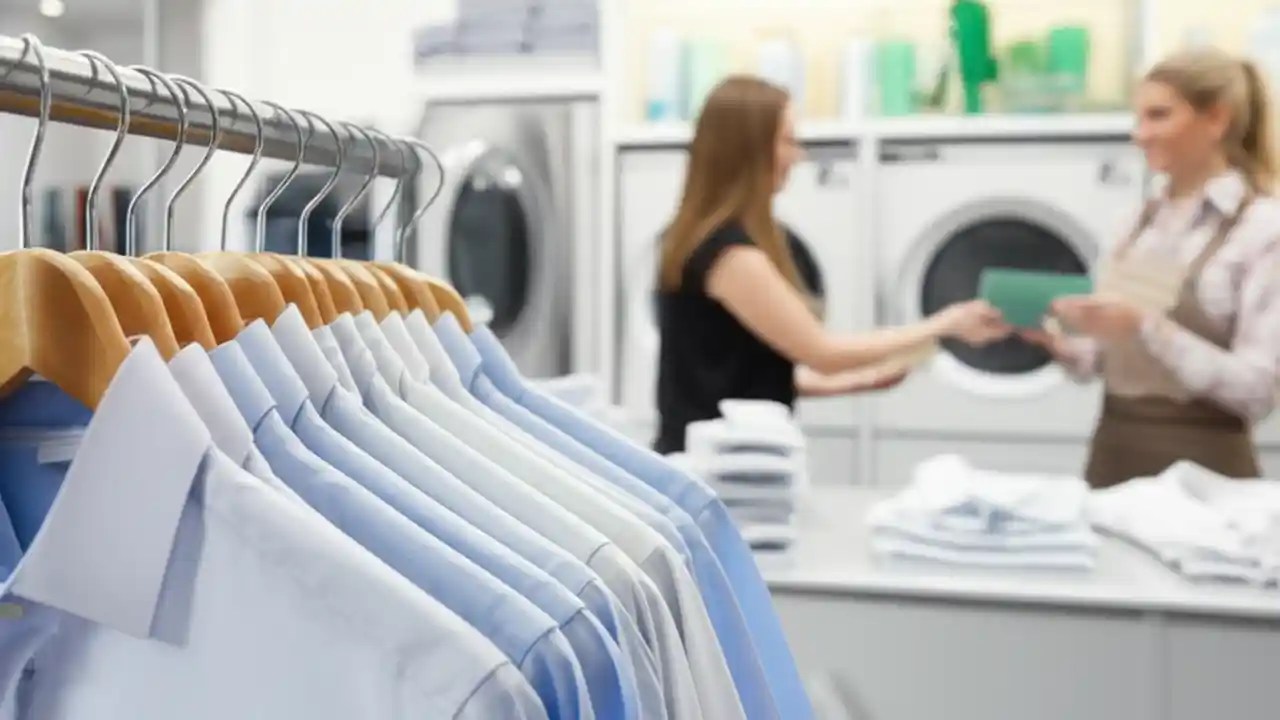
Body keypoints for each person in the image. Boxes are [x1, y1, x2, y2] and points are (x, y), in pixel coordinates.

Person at [652, 75, 1010, 454]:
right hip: (715, 467)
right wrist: (945, 323)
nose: (798, 155)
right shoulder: (731, 256)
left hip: (709, 460)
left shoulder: (705, 240)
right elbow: (824, 353)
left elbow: (730, 374)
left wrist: (854, 383)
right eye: (788, 140)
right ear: (751, 149)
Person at [1025, 49, 1280, 488]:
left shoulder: (1261, 229)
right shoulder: (1136, 224)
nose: (1139, 135)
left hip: (1207, 482)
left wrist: (1147, 325)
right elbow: (1102, 360)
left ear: (1216, 119)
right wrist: (1056, 342)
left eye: (1158, 116)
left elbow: (1256, 392)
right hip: (1112, 463)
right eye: (1138, 117)